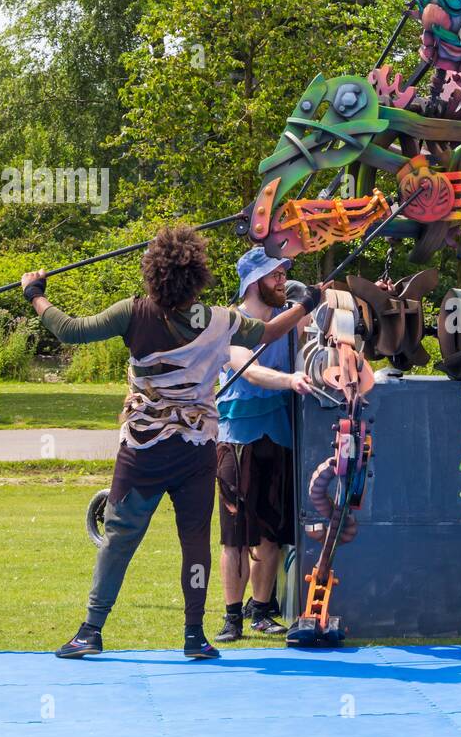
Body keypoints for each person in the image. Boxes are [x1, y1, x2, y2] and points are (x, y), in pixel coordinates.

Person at [20, 225, 324, 660]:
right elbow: (269, 333)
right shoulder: (221, 320)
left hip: (143, 451)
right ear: (197, 276)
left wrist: (35, 293)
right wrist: (307, 303)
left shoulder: (133, 312)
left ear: (153, 274)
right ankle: (195, 635)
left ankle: (91, 630)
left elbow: (71, 330)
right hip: (196, 450)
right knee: (195, 541)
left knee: (119, 538)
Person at [214, 247, 316, 642]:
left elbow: (326, 318)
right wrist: (290, 380)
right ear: (255, 282)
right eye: (276, 275)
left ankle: (261, 610)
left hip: (279, 434)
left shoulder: (289, 320)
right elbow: (250, 372)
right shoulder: (229, 323)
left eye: (284, 274)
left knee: (270, 533)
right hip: (236, 438)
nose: (283, 280)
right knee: (235, 536)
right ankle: (232, 617)